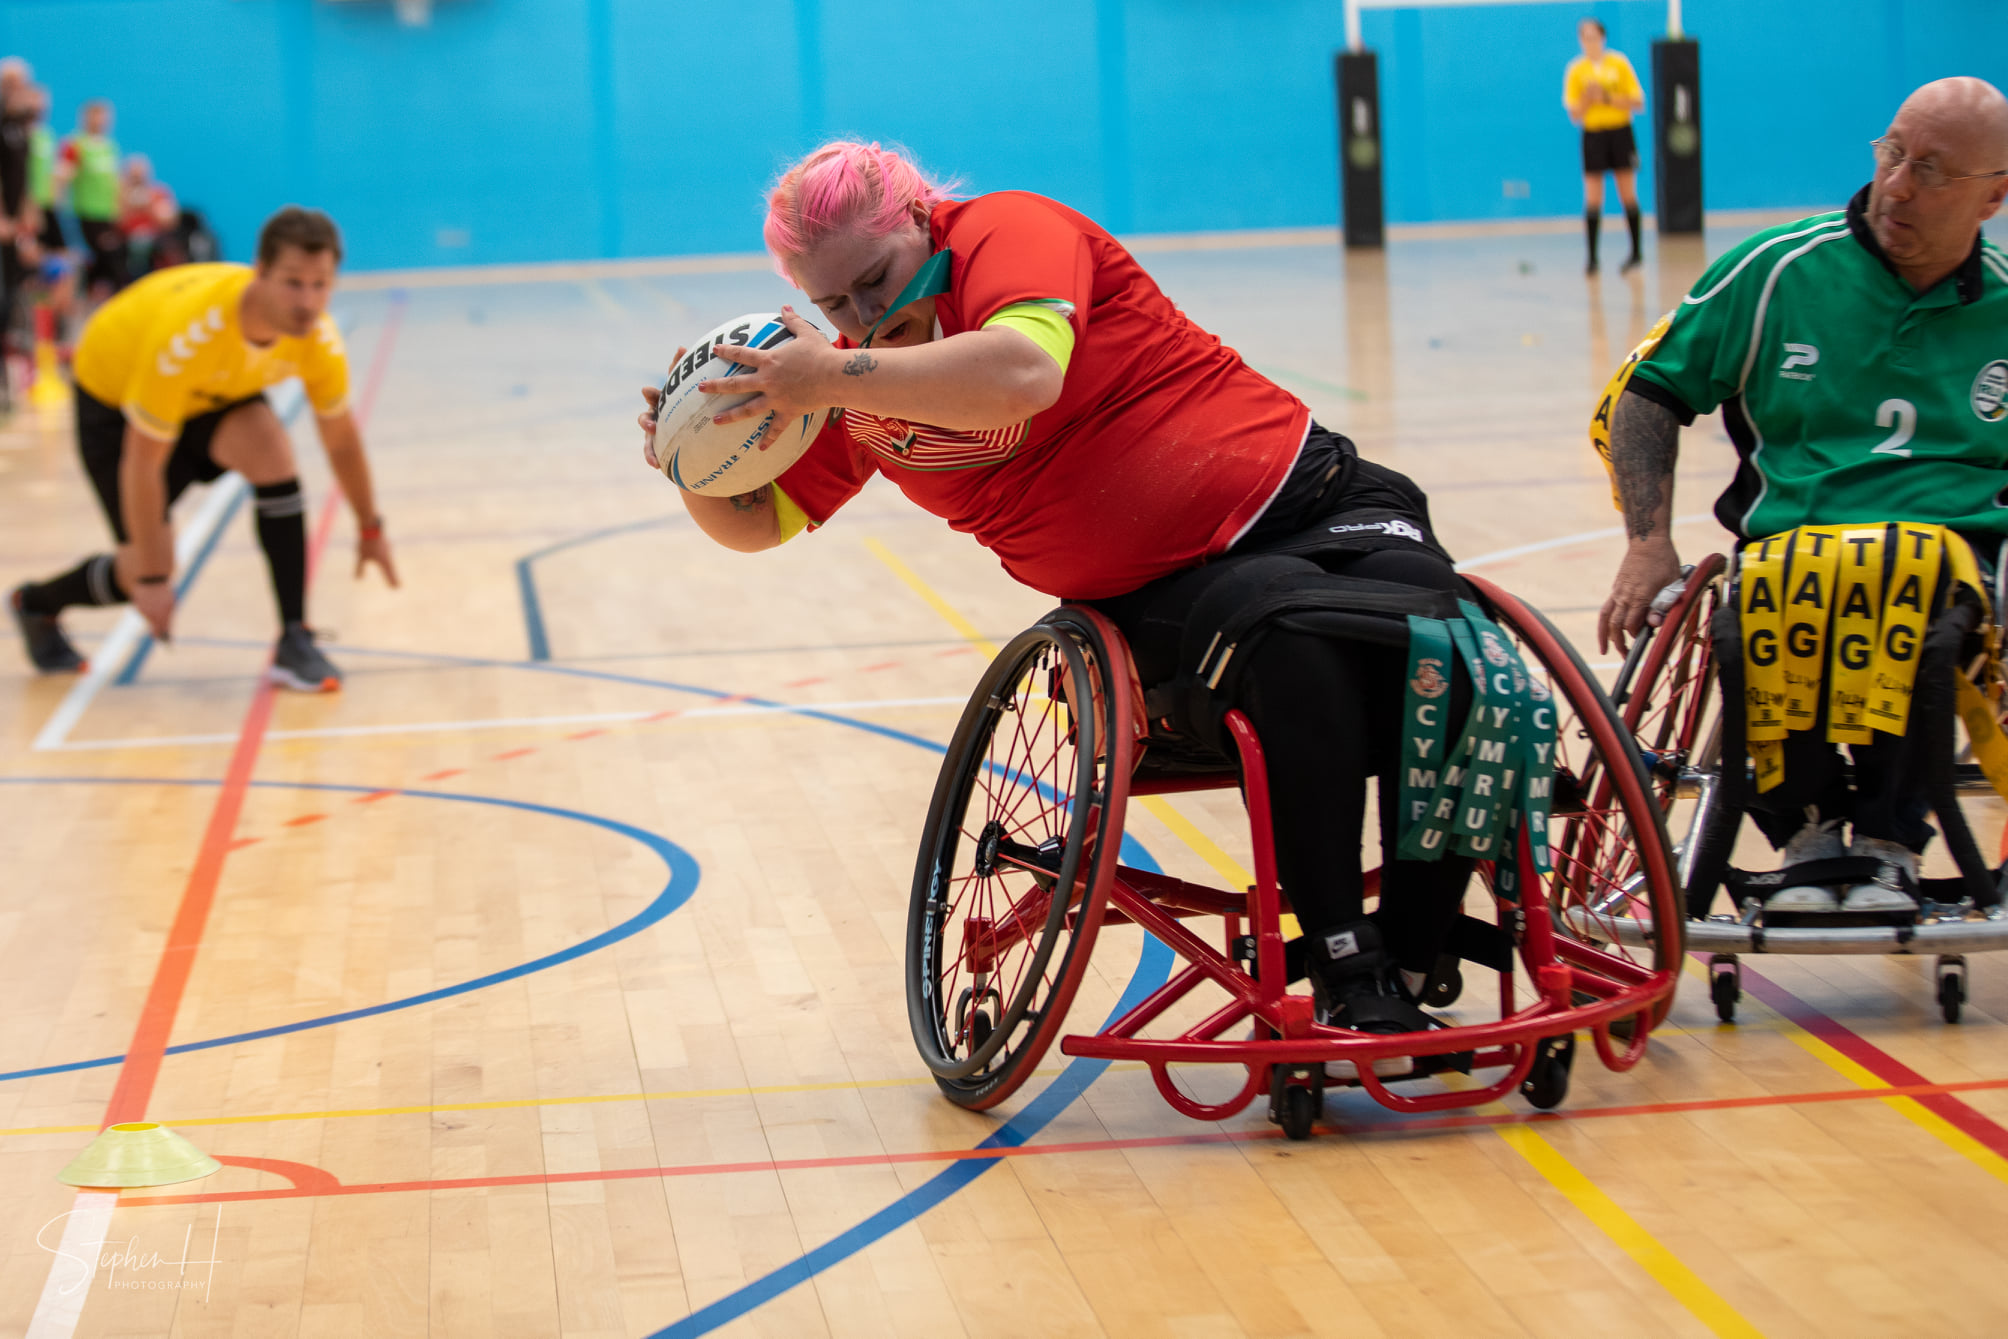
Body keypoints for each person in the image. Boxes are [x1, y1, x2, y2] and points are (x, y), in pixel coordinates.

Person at [635, 141, 1486, 1039]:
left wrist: (833, 375)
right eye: (833, 304)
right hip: (1172, 592)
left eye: (876, 280)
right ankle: (1349, 958)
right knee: (1298, 645)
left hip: (1317, 498)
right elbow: (756, 522)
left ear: (921, 220)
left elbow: (1021, 371)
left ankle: (1421, 938)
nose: (864, 315)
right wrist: (688, 463)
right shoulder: (855, 383)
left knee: (1449, 636)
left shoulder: (1007, 229)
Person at [1597, 76, 2008, 912]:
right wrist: (1648, 540)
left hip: (1963, 562)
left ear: (1994, 195)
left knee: (1927, 599)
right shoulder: (1776, 269)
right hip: (1793, 553)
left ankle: (1891, 839)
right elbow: (1647, 395)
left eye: (1931, 170)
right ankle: (1811, 833)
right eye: (1891, 152)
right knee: (1789, 600)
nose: (1896, 184)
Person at [9, 206, 400, 689]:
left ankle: (295, 638)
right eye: (293, 283)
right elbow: (143, 461)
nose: (308, 301)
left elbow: (341, 440)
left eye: (320, 285)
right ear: (260, 273)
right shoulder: (189, 336)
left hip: (214, 391)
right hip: (115, 400)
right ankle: (35, 604)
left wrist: (369, 526)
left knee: (271, 449)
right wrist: (152, 582)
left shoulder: (317, 339)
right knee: (144, 567)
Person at [1563, 17, 1644, 275]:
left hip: (1620, 132)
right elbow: (1574, 113)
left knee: (1627, 193)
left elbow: (1638, 102)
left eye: (1594, 37)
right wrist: (1588, 97)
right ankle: (1592, 258)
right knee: (1593, 197)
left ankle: (1636, 252)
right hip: (1593, 135)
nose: (1590, 42)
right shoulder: (1576, 70)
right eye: (1585, 38)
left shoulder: (1618, 63)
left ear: (1603, 38)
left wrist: (1606, 96)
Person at [57, 99, 123, 295]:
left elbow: (114, 182)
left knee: (109, 261)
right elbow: (62, 176)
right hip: (83, 212)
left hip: (107, 214)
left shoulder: (110, 147)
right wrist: (60, 209)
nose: (101, 121)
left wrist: (119, 209)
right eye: (96, 116)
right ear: (85, 118)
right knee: (86, 261)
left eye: (105, 117)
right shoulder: (75, 144)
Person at [0, 61, 42, 368]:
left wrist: (28, 214)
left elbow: (22, 176)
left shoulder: (20, 130)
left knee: (14, 291)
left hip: (14, 227)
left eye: (21, 83)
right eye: (10, 83)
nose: (17, 89)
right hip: (3, 223)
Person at [116, 154, 176, 274]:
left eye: (140, 176)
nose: (137, 180)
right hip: (125, 243)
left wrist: (148, 206)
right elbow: (115, 222)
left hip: (155, 242)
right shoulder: (118, 194)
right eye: (133, 177)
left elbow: (169, 221)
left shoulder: (158, 192)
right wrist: (127, 204)